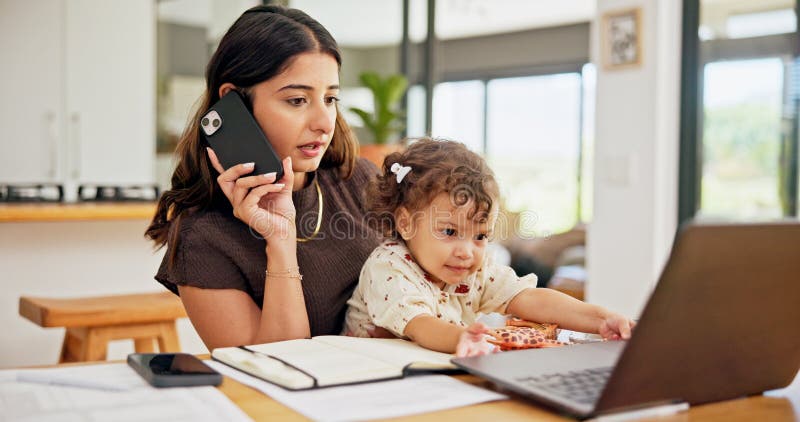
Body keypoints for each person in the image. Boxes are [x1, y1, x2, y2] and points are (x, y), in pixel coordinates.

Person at [145, 5, 382, 350]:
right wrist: (280, 243)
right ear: (234, 103)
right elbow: (272, 366)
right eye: (298, 100)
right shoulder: (203, 236)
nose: (323, 121)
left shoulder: (361, 180)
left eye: (330, 98)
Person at [343, 139, 635, 356]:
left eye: (480, 236)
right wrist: (462, 338)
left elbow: (530, 299)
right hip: (367, 377)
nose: (467, 251)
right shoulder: (390, 266)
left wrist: (601, 319)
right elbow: (422, 325)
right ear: (405, 223)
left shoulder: (473, 270)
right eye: (449, 231)